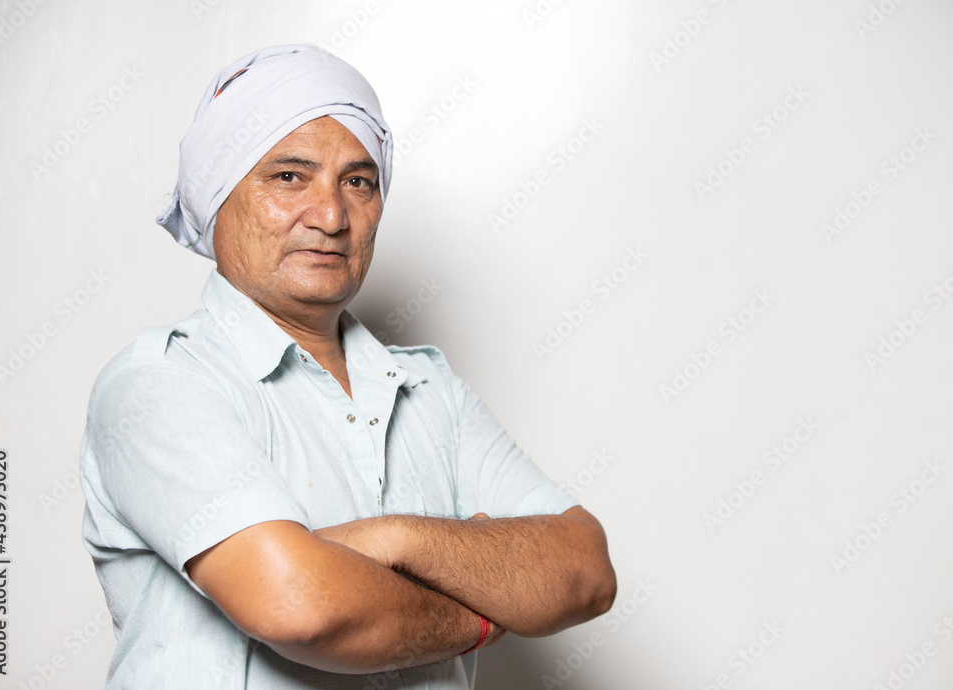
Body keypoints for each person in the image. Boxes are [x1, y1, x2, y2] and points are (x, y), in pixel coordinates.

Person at [80, 44, 616, 689]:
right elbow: (300, 608)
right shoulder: (162, 385)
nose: (332, 216)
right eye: (288, 177)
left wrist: (397, 540)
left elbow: (585, 572)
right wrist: (487, 608)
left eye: (357, 182)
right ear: (219, 195)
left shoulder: (428, 389)